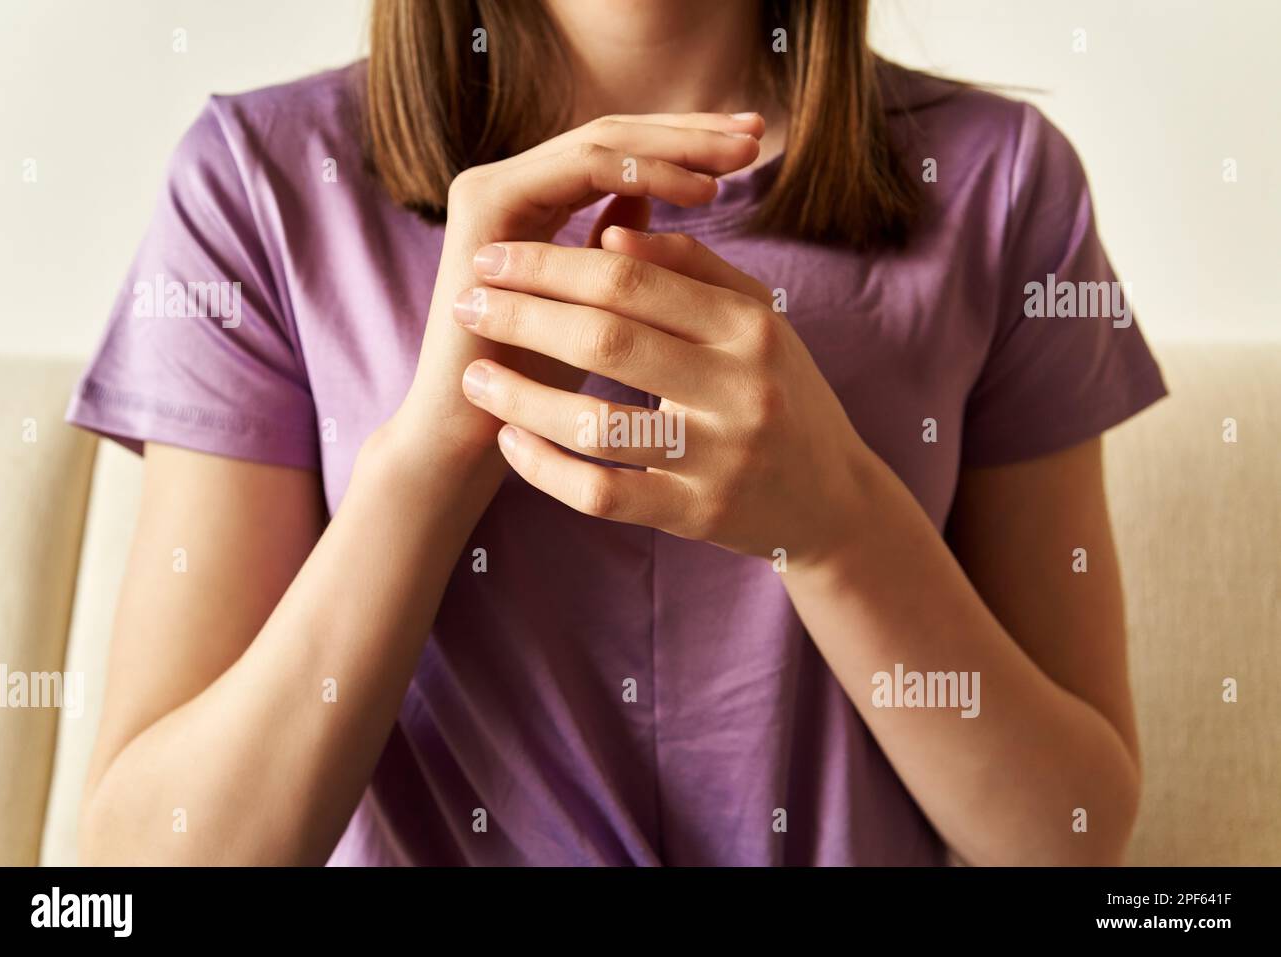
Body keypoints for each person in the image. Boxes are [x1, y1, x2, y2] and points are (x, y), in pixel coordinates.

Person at [68, 0, 1166, 865]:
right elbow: (148, 862)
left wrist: (838, 527)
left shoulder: (1005, 186)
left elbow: (1066, 835)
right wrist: (430, 461)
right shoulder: (256, 186)